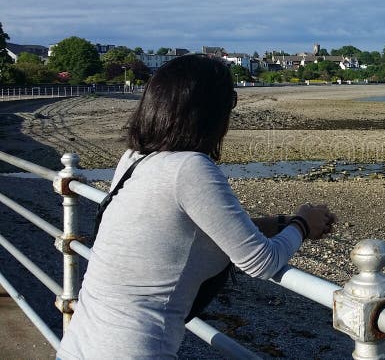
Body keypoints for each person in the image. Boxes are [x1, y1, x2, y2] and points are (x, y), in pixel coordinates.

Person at [57, 54, 336, 359]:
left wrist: (282, 221)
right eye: (230, 100)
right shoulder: (190, 169)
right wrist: (303, 225)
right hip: (132, 349)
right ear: (210, 111)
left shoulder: (133, 159)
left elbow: (193, 230)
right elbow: (261, 262)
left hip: (78, 346)